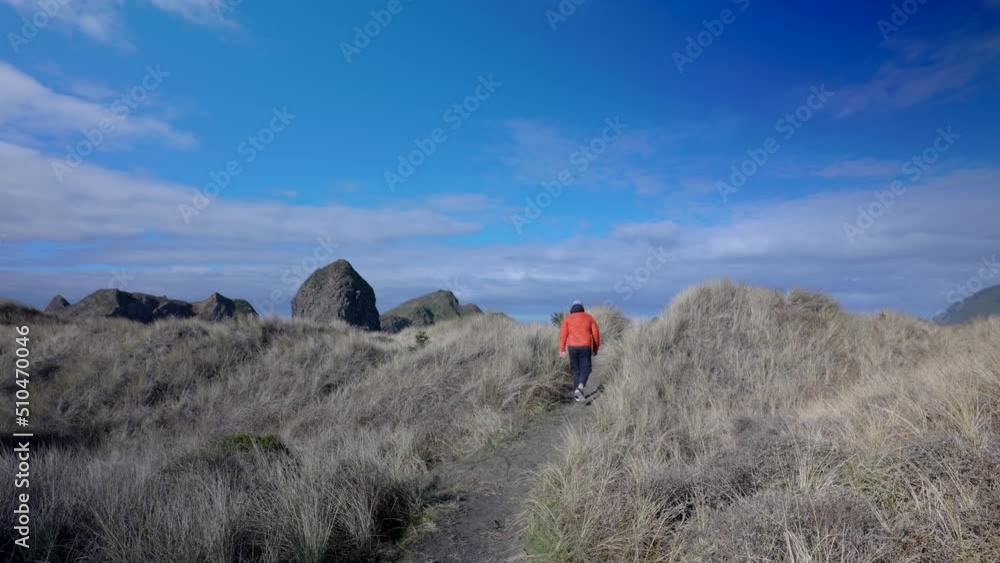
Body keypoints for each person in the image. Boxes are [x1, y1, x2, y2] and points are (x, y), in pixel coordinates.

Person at [559, 300, 600, 402]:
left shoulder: (567, 319)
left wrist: (562, 349)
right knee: (586, 368)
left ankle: (578, 392)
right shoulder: (589, 317)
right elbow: (596, 334)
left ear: (572, 308)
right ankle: (580, 388)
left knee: (575, 369)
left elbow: (563, 335)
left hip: (572, 347)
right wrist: (595, 347)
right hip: (585, 346)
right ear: (582, 308)